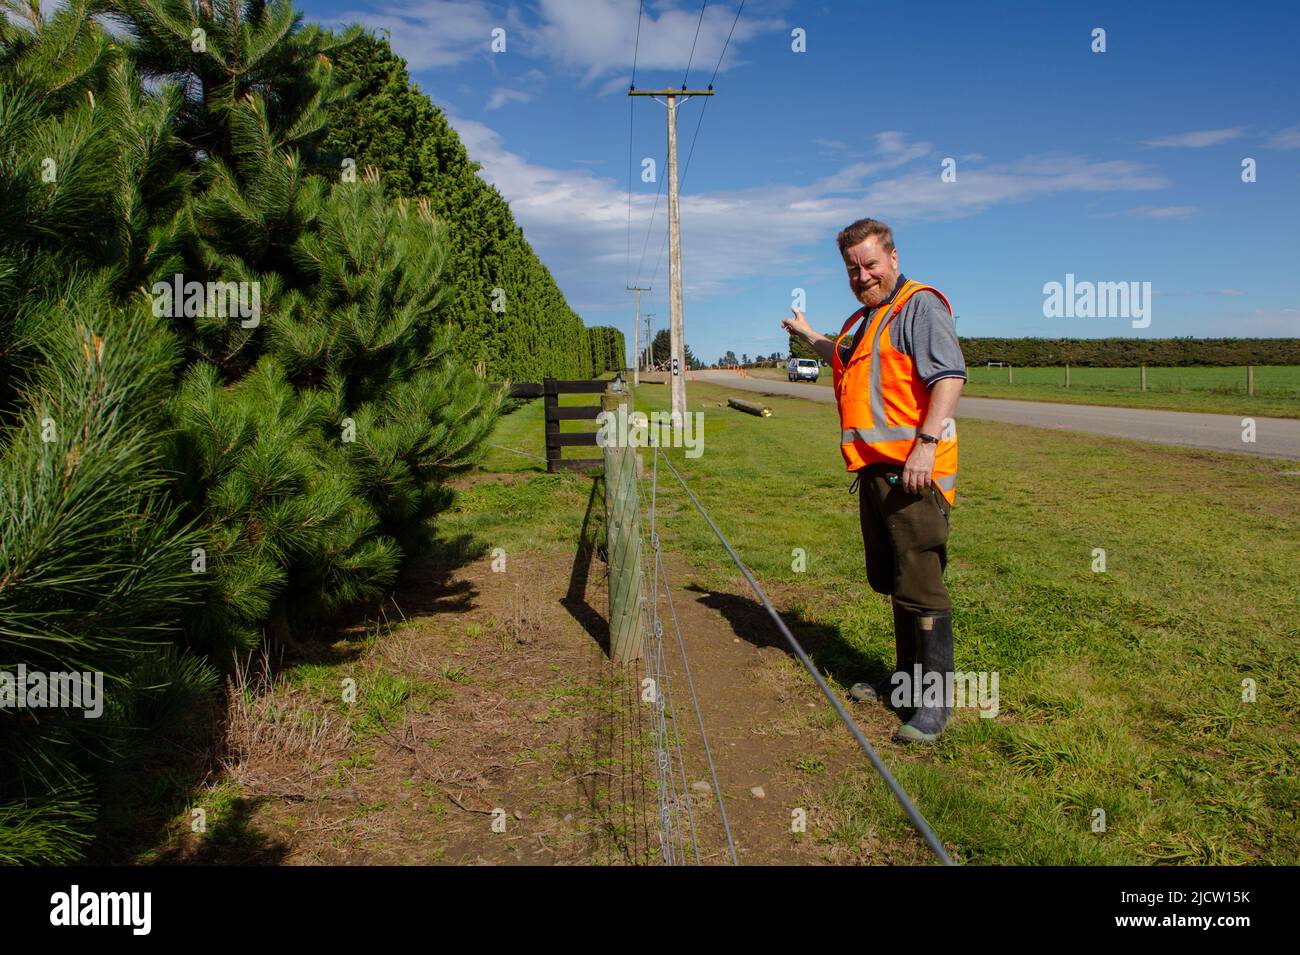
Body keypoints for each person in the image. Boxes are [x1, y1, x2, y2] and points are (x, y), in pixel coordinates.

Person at [781, 218, 966, 743]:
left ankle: (933, 703)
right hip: (875, 475)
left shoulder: (919, 307)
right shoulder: (865, 321)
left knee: (922, 585)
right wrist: (808, 333)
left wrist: (925, 447)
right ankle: (904, 681)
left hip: (915, 474)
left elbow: (949, 377)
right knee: (893, 580)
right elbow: (839, 357)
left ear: (894, 258)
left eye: (871, 264)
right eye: (853, 268)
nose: (862, 275)